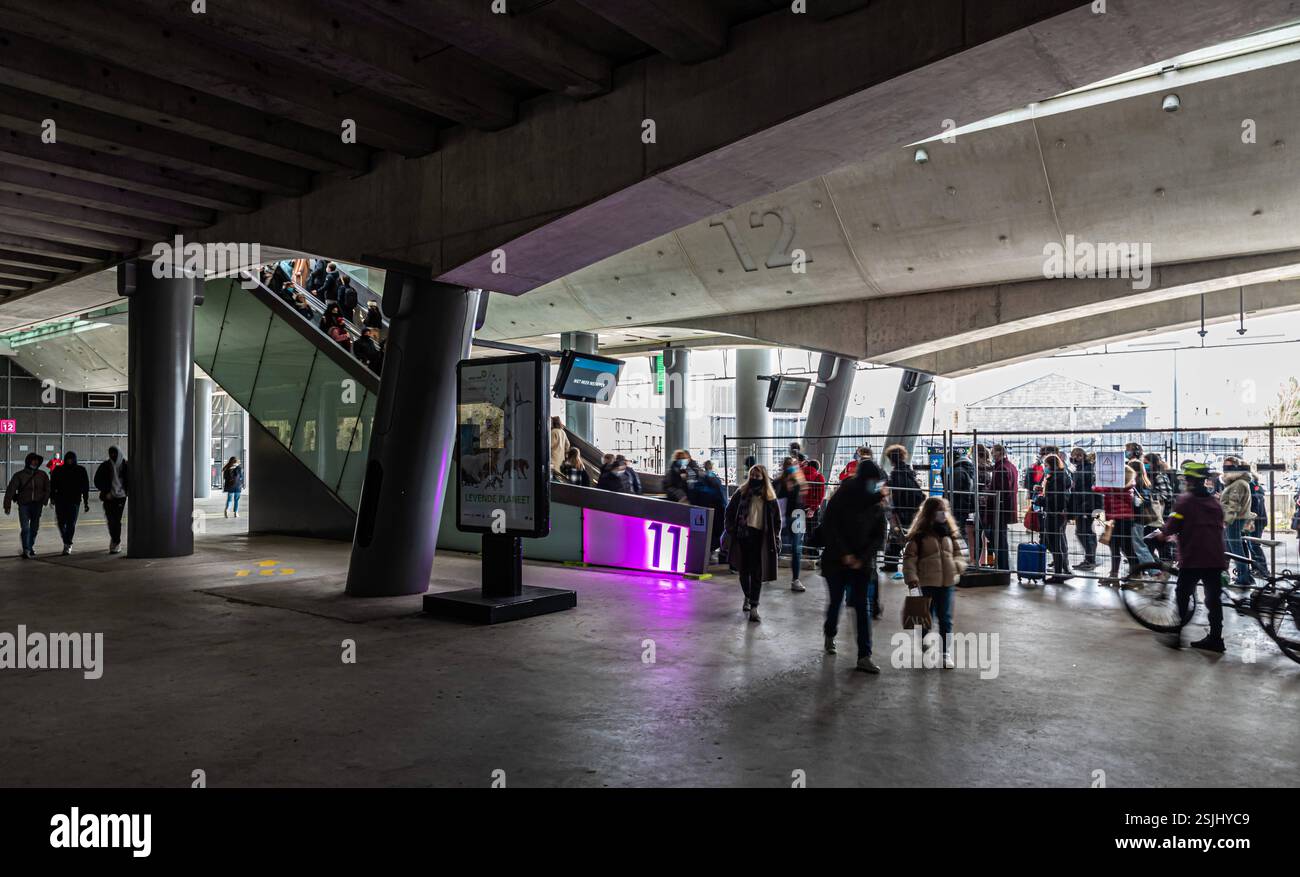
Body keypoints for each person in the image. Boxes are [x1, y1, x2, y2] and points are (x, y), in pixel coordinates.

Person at [819, 459, 887, 673]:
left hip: (862, 565)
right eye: (873, 481)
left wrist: (861, 558)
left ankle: (864, 656)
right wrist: (846, 554)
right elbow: (831, 528)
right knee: (836, 602)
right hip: (836, 562)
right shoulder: (843, 497)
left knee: (862, 608)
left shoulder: (877, 504)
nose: (876, 485)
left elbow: (879, 537)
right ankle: (830, 633)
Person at [1153, 461, 1228, 652]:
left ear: (1190, 481)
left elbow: (1172, 526)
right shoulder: (1214, 502)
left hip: (1194, 556)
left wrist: (1162, 535)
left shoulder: (1186, 502)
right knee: (1213, 599)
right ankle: (1216, 639)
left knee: (1183, 594)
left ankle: (1177, 635)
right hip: (1215, 557)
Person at [902, 495, 966, 668]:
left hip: (947, 583)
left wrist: (957, 567)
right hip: (927, 584)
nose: (943, 514)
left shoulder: (950, 534)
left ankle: (945, 654)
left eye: (944, 510)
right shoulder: (919, 536)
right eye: (939, 511)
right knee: (925, 618)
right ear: (930, 513)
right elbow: (909, 559)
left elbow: (960, 555)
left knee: (946, 618)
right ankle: (923, 639)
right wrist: (912, 580)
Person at [723, 464, 781, 623]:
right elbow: (729, 511)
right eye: (752, 475)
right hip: (743, 536)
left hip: (760, 539)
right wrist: (730, 528)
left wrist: (776, 537)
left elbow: (777, 520)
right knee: (743, 571)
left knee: (757, 573)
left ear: (764, 477)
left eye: (758, 476)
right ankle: (748, 596)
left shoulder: (769, 497)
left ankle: (754, 606)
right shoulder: (741, 492)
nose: (755, 478)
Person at [1094, 460, 1142, 585]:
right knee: (1116, 548)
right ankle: (1115, 575)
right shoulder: (1124, 486)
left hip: (1121, 520)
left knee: (1126, 549)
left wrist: (1098, 480)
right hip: (1117, 520)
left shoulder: (1120, 487)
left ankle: (1136, 576)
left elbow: (1098, 488)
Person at [882, 443, 923, 585]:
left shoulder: (895, 474)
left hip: (901, 511)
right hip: (913, 510)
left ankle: (891, 563)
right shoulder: (909, 472)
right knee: (909, 536)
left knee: (896, 537)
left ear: (890, 459)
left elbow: (896, 495)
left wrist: (895, 510)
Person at [1219, 456, 1258, 586]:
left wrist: (1226, 520)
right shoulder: (1237, 482)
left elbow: (1234, 505)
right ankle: (1245, 576)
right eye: (1225, 466)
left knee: (1236, 550)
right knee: (1234, 549)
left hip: (1234, 520)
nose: (1226, 469)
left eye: (1229, 466)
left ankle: (1244, 578)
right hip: (1234, 519)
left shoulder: (1239, 483)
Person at [4, 452, 51, 558]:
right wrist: (7, 505)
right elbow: (10, 490)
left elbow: (48, 488)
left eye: (37, 460)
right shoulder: (19, 475)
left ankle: (29, 547)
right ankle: (26, 549)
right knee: (25, 528)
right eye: (33, 460)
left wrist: (45, 499)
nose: (35, 462)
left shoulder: (42, 475)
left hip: (37, 505)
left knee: (34, 529)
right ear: (28, 461)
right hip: (24, 505)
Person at [774, 455, 808, 593]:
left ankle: (795, 579)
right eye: (788, 465)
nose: (791, 467)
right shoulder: (778, 482)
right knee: (776, 545)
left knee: (796, 548)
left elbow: (804, 492)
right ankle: (767, 571)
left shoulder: (799, 481)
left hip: (797, 515)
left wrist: (797, 476)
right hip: (783, 515)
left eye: (793, 465)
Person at [1038, 453, 1072, 582]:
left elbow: (1054, 499)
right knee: (1058, 543)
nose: (1044, 467)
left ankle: (1059, 574)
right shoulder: (1062, 477)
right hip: (1059, 514)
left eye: (1046, 465)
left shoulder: (1056, 479)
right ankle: (1065, 570)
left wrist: (1041, 500)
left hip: (1054, 513)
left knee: (1054, 544)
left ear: (1052, 465)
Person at [985, 444, 1019, 572]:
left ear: (998, 453)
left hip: (999, 509)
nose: (992, 455)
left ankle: (1003, 566)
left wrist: (989, 493)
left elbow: (1001, 491)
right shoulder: (1010, 466)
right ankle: (1002, 565)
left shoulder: (1001, 469)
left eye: (993, 452)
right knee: (999, 537)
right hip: (1006, 508)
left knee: (998, 538)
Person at [49, 450, 90, 555]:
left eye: (71, 459)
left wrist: (86, 501)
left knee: (71, 523)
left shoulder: (80, 470)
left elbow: (85, 487)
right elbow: (53, 485)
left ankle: (67, 544)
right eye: (68, 459)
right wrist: (52, 498)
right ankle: (67, 541)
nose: (69, 461)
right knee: (61, 522)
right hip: (60, 500)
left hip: (74, 500)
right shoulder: (59, 470)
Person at [94, 445, 129, 554]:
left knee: (116, 521)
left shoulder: (125, 465)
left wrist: (126, 491)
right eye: (111, 453)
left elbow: (130, 479)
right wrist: (106, 492)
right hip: (109, 497)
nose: (112, 455)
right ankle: (114, 540)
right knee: (110, 520)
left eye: (114, 453)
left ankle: (116, 542)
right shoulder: (105, 465)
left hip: (121, 497)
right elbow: (97, 480)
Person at [1068, 448, 1100, 570]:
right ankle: (1089, 558)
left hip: (1086, 506)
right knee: (1085, 532)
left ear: (1080, 456)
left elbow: (1086, 490)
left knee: (1084, 532)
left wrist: (1085, 507)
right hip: (1082, 505)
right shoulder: (1081, 469)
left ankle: (1090, 560)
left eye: (1074, 456)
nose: (1073, 459)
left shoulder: (1087, 470)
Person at [692, 460, 728, 553]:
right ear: (711, 467)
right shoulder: (715, 479)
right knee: (715, 531)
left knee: (705, 531)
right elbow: (721, 495)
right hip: (716, 509)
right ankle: (710, 549)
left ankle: (706, 550)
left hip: (703, 510)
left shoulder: (700, 479)